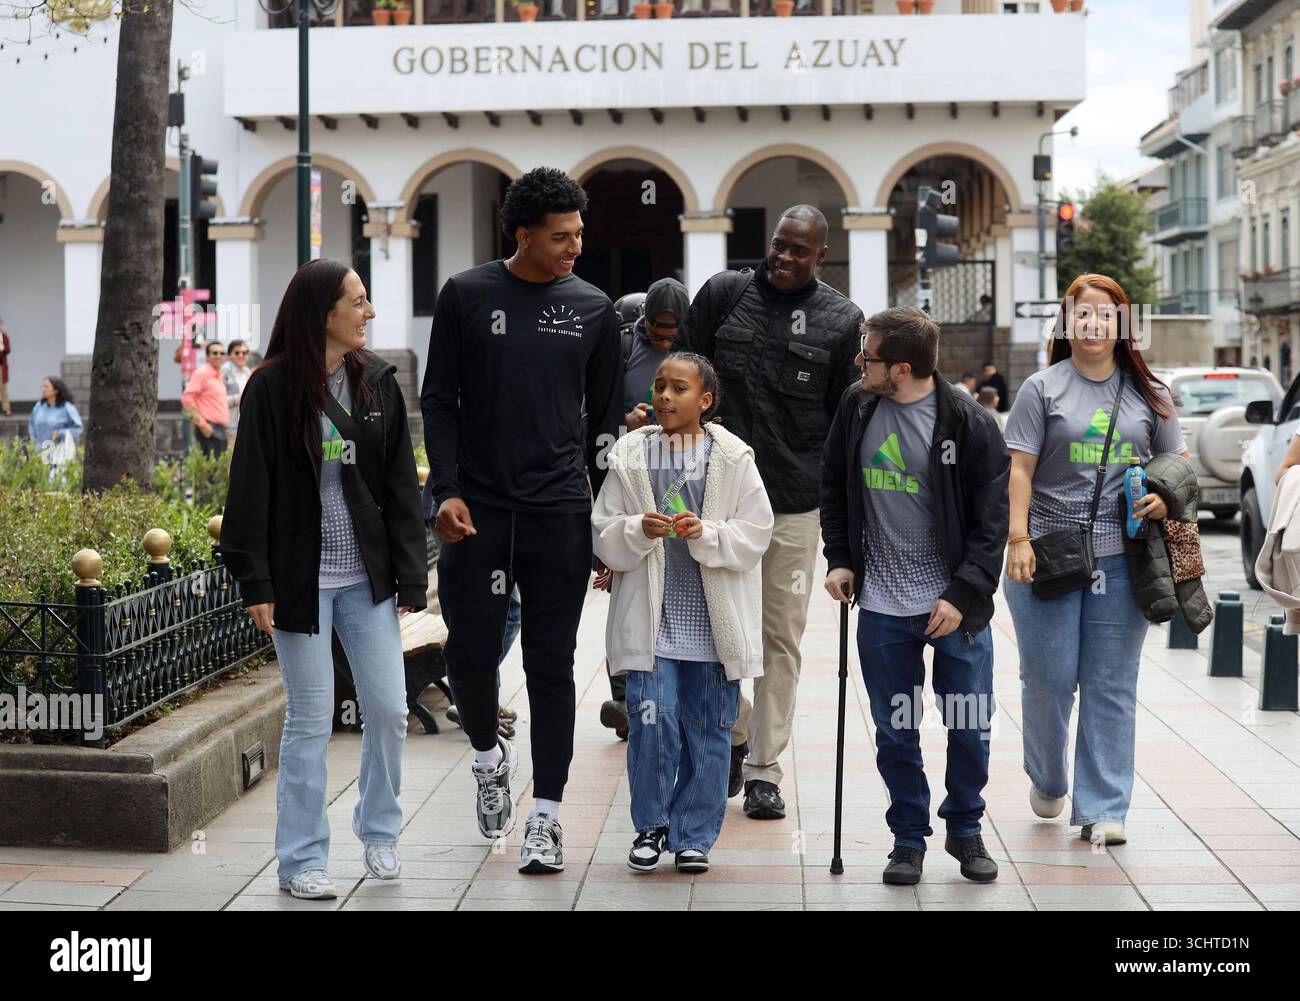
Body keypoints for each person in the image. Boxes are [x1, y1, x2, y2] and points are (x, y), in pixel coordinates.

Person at [422, 166, 622, 874]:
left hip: (559, 510)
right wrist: (445, 491)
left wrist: (604, 521)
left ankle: (547, 817)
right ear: (524, 233)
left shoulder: (594, 309)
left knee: (551, 663)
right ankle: (487, 758)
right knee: (470, 658)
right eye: (561, 236)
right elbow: (439, 401)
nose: (575, 247)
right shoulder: (466, 295)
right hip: (478, 512)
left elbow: (604, 424)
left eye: (579, 234)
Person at [221, 259, 427, 901]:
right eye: (357, 301)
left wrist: (410, 578)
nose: (369, 312)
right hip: (300, 580)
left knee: (388, 710)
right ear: (323, 312)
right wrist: (256, 583)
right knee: (310, 719)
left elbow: (400, 485)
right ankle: (302, 859)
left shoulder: (377, 383)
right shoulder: (271, 388)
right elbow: (249, 488)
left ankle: (380, 831)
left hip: (366, 580)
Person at [679, 204, 863, 818]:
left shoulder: (843, 321)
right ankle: (733, 735)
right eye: (779, 245)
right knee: (714, 629)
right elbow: (681, 378)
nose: (784, 257)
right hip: (715, 503)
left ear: (821, 256)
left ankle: (763, 769)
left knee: (779, 637)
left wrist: (845, 524)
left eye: (799, 251)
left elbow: (845, 424)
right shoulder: (723, 295)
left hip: (793, 505)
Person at [821, 307, 1009, 886]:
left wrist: (961, 593)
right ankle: (908, 838)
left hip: (954, 607)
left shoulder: (968, 424)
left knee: (968, 723)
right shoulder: (857, 407)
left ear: (900, 368)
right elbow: (833, 483)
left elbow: (992, 524)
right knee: (895, 731)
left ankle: (966, 825)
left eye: (869, 356)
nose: (859, 363)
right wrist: (840, 557)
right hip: (881, 604)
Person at [1003, 273, 1187, 847]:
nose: (1093, 324)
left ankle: (1105, 807)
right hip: (1046, 554)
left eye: (1106, 314)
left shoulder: (1150, 394)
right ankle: (1049, 776)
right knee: (1049, 681)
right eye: (1082, 313)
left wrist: (1164, 497)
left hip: (1124, 558)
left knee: (1110, 683)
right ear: (1066, 322)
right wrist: (1017, 539)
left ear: (1123, 324)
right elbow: (1019, 469)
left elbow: (1177, 465)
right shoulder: (1041, 388)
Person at [593, 352, 773, 874]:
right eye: (659, 387)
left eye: (679, 388)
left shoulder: (734, 459)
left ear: (706, 400)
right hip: (652, 625)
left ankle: (694, 835)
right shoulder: (630, 455)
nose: (665, 397)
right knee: (651, 724)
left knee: (709, 730)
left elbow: (756, 532)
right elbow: (604, 528)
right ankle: (650, 826)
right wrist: (636, 530)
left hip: (715, 629)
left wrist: (706, 534)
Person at [598, 277, 692, 743]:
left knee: (673, 586)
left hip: (682, 477)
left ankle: (666, 691)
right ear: (643, 320)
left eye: (672, 334)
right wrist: (626, 423)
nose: (664, 342)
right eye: (657, 333)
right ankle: (625, 694)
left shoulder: (695, 348)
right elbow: (592, 412)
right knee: (625, 586)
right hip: (630, 478)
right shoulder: (620, 347)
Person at [182, 340, 231, 457]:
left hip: (220, 429)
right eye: (215, 353)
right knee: (211, 467)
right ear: (207, 356)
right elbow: (187, 399)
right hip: (208, 429)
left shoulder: (219, 375)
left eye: (222, 353)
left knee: (219, 467)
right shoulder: (202, 373)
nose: (219, 356)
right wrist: (202, 425)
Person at [28, 376, 82, 472]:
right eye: (42, 386)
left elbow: (78, 428)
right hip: (40, 453)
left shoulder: (66, 407)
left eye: (46, 386)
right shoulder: (39, 407)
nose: (43, 389)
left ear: (56, 390)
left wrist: (62, 433)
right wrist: (33, 443)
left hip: (59, 454)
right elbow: (32, 426)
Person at [221, 339, 253, 440]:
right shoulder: (223, 372)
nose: (241, 355)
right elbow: (219, 401)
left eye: (244, 352)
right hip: (229, 427)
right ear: (229, 355)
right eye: (237, 353)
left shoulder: (248, 372)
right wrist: (242, 397)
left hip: (246, 424)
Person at [0, 319, 11, 417]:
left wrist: (2, 348)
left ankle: (6, 409)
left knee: (4, 388)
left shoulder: (4, 336)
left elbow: (8, 349)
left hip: (1, 365)